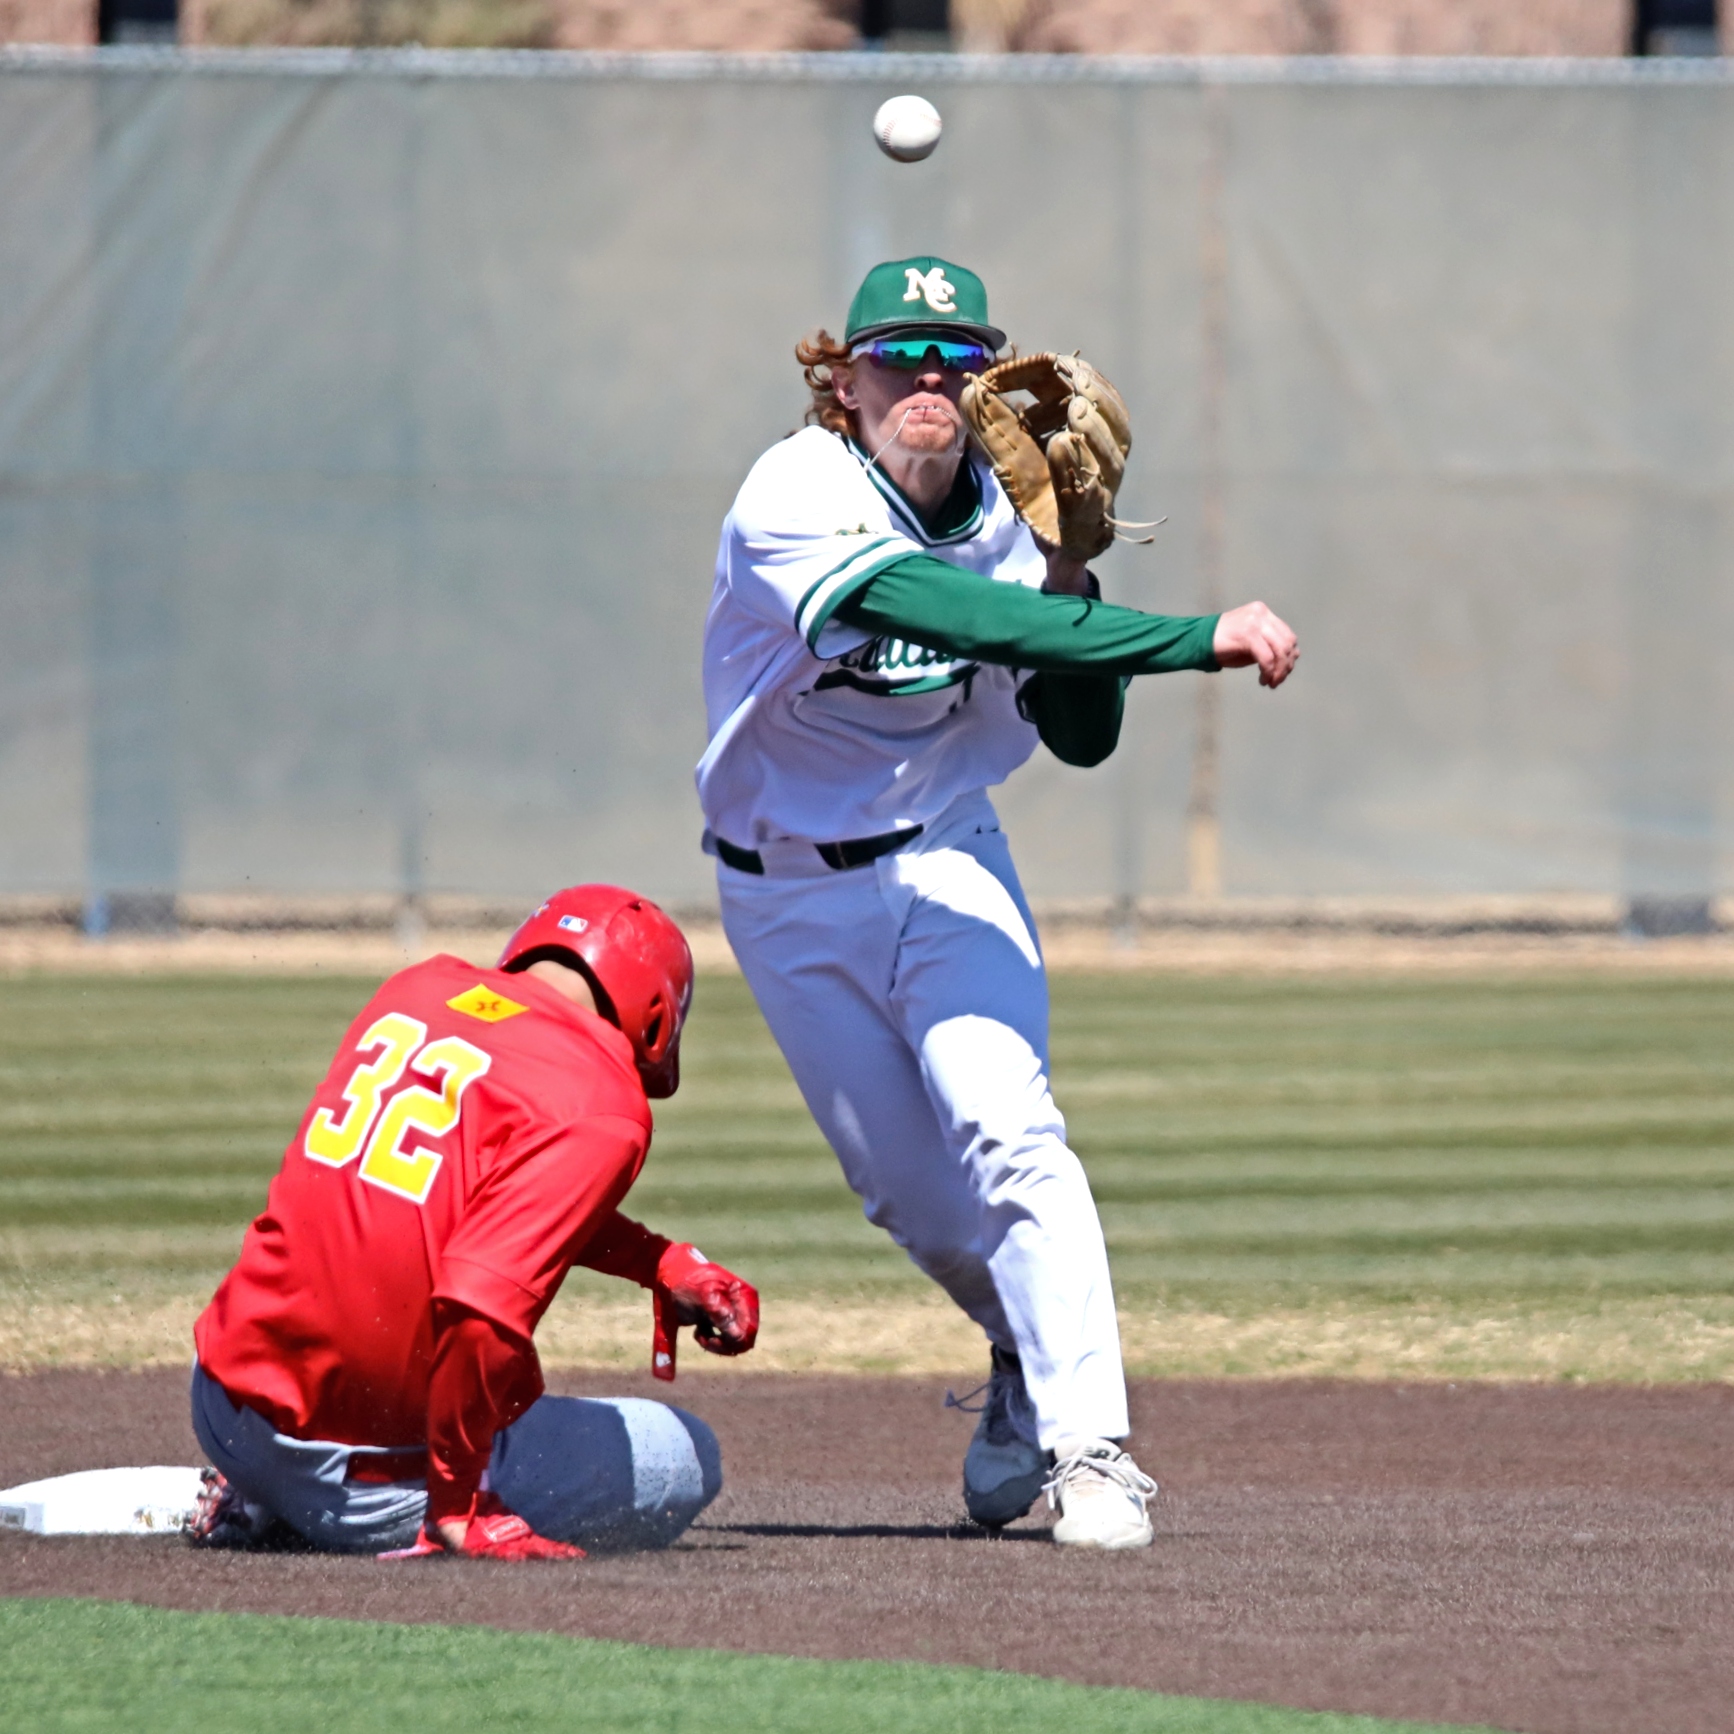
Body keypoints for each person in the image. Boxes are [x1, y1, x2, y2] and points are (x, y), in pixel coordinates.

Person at [696, 257, 1297, 1550]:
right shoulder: (791, 490)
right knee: (909, 1194)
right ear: (838, 381)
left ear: (985, 387)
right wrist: (1191, 634)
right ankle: (1016, 1350)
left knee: (1010, 1129)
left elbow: (1077, 735)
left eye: (954, 359)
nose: (925, 377)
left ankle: (1093, 1452)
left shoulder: (1014, 530)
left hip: (947, 861)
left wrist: (1072, 568)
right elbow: (936, 605)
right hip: (783, 891)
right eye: (896, 356)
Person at [187, 885, 759, 1560]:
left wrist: (658, 1262)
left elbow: (462, 1196)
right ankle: (329, 1505)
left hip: (223, 1410)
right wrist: (457, 1507)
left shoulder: (417, 990)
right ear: (656, 1017)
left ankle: (262, 1489)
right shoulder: (605, 1099)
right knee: (688, 1454)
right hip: (365, 1482)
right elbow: (480, 1305)